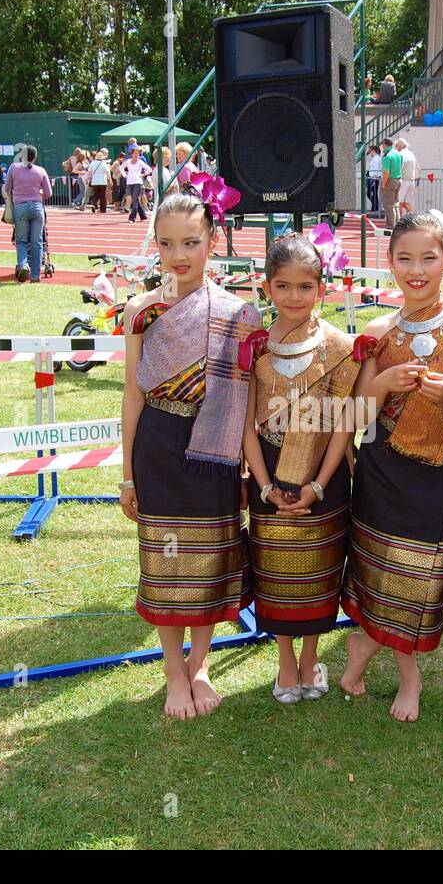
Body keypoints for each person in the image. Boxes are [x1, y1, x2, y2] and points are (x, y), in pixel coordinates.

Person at [339, 211, 443, 722]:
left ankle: (366, 651)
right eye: (404, 258)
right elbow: (354, 415)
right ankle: (407, 675)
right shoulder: (379, 330)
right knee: (380, 574)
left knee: (424, 580)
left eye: (428, 257)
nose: (417, 269)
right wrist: (381, 386)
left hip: (442, 474)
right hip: (381, 474)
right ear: (389, 264)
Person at [119, 185, 260, 719]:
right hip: (159, 447)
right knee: (166, 563)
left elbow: (245, 401)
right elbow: (133, 395)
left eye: (192, 242)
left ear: (213, 241)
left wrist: (248, 468)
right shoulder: (140, 311)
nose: (180, 256)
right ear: (155, 246)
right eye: (168, 244)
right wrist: (128, 474)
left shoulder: (240, 313)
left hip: (216, 454)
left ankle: (199, 665)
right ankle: (173, 672)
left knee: (208, 563)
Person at [242, 233, 361, 703]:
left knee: (320, 568)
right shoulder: (253, 347)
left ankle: (312, 657)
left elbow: (343, 428)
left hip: (325, 476)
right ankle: (286, 661)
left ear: (322, 288)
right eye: (283, 286)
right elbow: (246, 424)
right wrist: (267, 487)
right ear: (267, 288)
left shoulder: (339, 347)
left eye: (305, 287)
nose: (295, 297)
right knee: (275, 571)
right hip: (268, 470)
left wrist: (317, 484)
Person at [4, 145, 52, 282]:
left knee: (21, 240)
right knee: (37, 241)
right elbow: (48, 193)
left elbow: (7, 188)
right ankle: (36, 276)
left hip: (20, 207)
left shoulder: (14, 168)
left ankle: (23, 264)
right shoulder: (41, 170)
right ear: (35, 157)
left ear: (22, 156)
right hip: (37, 207)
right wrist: (38, 194)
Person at [378, 138, 401, 229]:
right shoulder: (398, 154)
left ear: (385, 144)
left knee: (388, 204)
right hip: (398, 179)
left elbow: (386, 172)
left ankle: (391, 225)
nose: (382, 146)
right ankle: (398, 224)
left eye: (382, 144)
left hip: (390, 180)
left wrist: (384, 183)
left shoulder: (387, 156)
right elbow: (401, 166)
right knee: (396, 203)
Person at [122, 147, 149, 223]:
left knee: (135, 199)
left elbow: (149, 169)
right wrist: (124, 175)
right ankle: (143, 215)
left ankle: (132, 217)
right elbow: (121, 168)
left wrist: (143, 174)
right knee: (135, 200)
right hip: (129, 182)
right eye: (135, 153)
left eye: (138, 153)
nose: (136, 155)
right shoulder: (128, 161)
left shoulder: (140, 162)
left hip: (138, 182)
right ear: (132, 154)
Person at [395, 138, 418, 216]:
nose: (396, 147)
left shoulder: (401, 154)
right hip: (412, 180)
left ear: (400, 146)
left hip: (404, 180)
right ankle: (413, 216)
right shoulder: (411, 153)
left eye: (396, 145)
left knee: (399, 202)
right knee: (407, 202)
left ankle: (398, 220)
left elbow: (399, 167)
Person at [365, 144, 382, 214]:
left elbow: (376, 169)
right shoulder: (374, 158)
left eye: (370, 151)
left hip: (373, 178)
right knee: (371, 193)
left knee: (372, 193)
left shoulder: (377, 158)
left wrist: (375, 178)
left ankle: (375, 206)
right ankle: (374, 206)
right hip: (371, 177)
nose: (370, 153)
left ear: (374, 151)